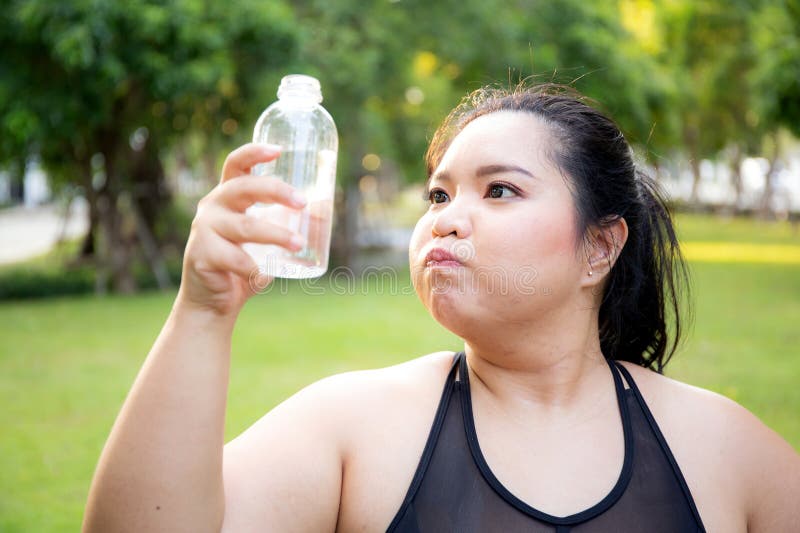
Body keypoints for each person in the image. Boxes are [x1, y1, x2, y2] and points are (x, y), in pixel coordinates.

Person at [83, 84, 800, 533]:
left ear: (599, 248)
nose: (448, 218)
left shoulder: (723, 449)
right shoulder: (352, 429)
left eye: (499, 190)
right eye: (438, 194)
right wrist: (203, 312)